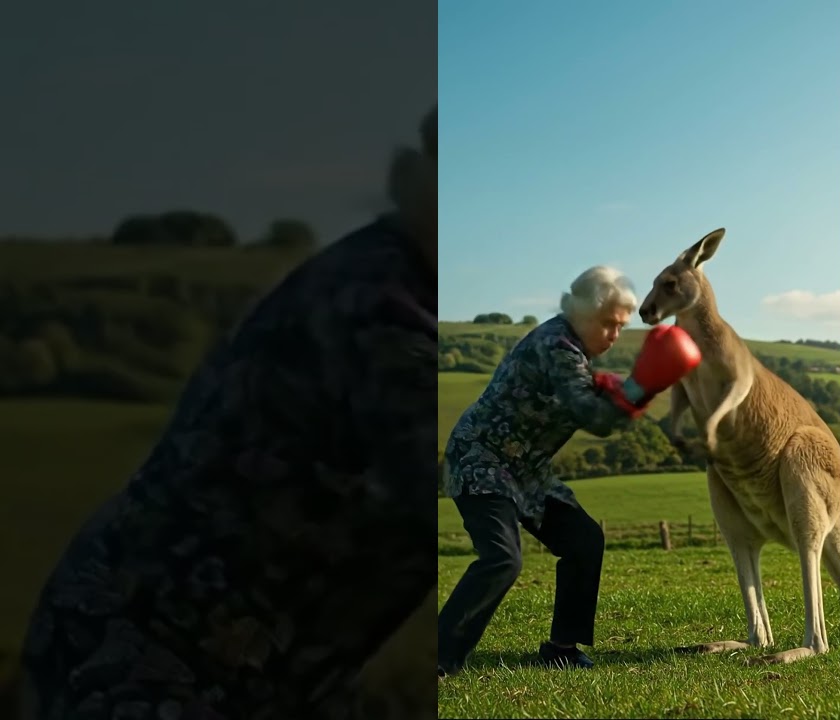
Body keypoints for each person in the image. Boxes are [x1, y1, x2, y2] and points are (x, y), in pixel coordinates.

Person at [18, 108, 438, 719]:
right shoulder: (380, 308)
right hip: (148, 657)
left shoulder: (401, 278)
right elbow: (448, 503)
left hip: (242, 663)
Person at [438, 267, 700, 676]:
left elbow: (586, 392)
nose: (614, 335)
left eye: (620, 326)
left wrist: (615, 388)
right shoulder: (557, 344)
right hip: (482, 458)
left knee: (583, 539)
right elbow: (589, 414)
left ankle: (561, 647)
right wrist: (639, 388)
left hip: (526, 469)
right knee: (502, 559)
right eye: (608, 323)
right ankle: (439, 654)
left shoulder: (573, 350)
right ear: (582, 312)